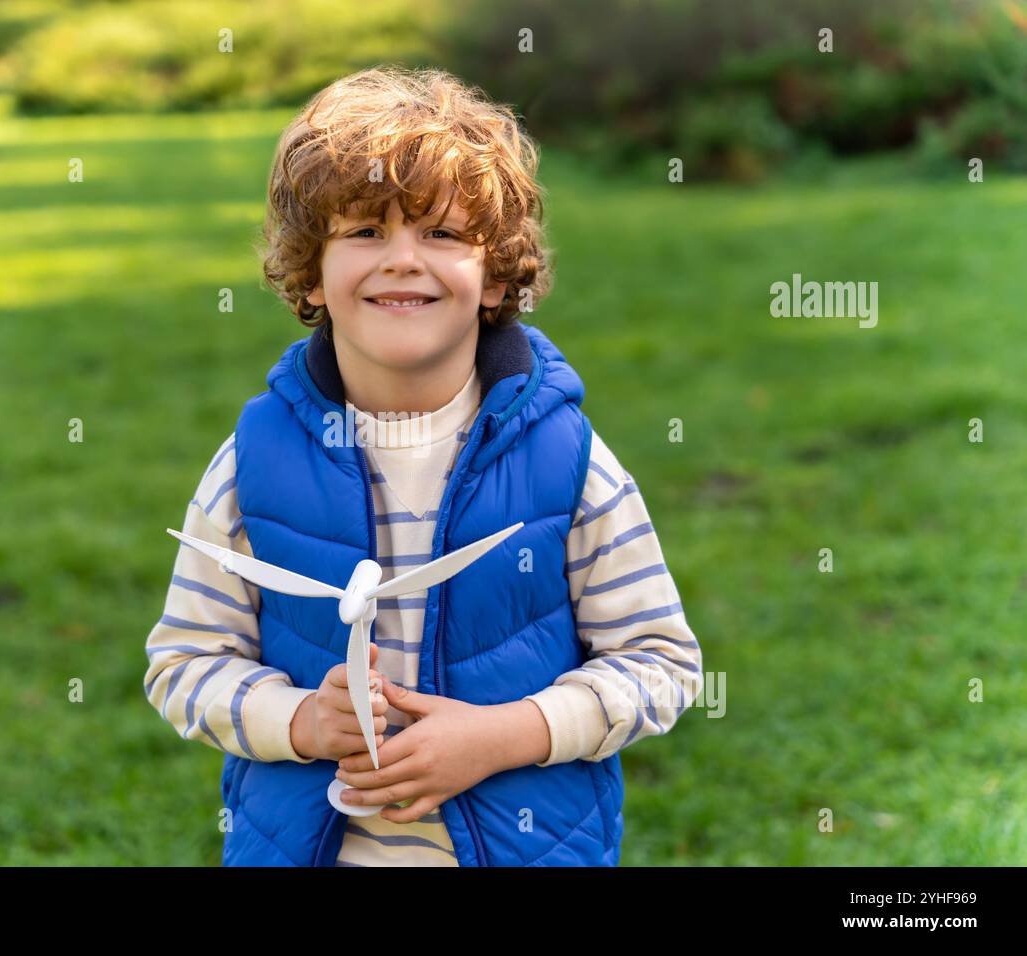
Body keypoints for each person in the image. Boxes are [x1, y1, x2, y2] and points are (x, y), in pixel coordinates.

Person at [144, 65, 702, 866]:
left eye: (440, 233)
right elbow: (184, 663)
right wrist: (298, 720)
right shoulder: (253, 462)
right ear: (311, 271)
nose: (403, 260)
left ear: (497, 275)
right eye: (365, 232)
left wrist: (505, 735)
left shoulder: (568, 461)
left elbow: (660, 663)